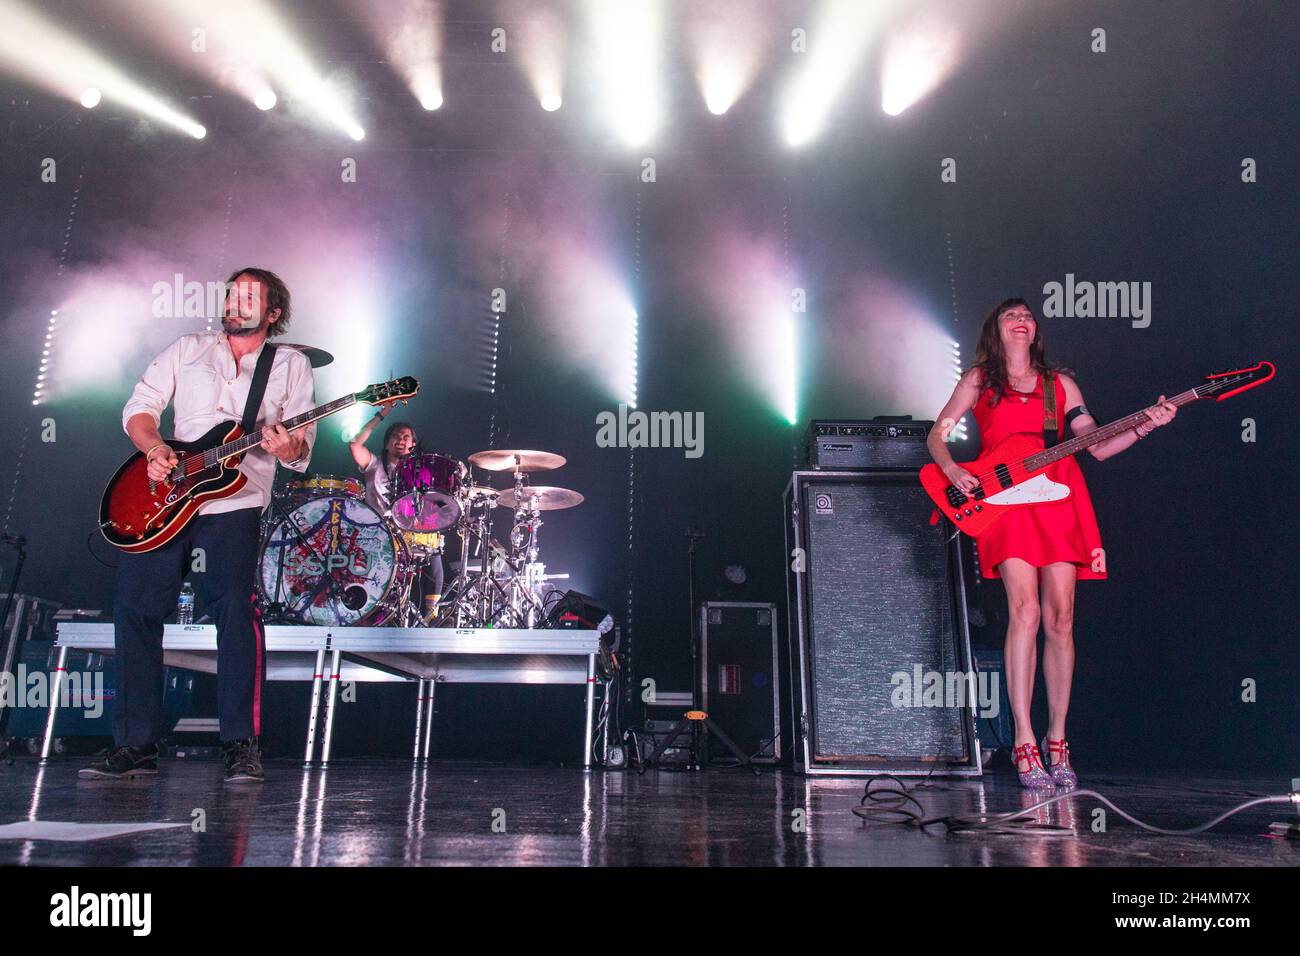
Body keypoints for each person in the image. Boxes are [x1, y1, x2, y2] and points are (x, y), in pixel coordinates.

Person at [927, 298, 1176, 788]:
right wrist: (953, 470)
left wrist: (1145, 424)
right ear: (995, 329)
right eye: (1010, 316)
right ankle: (1022, 739)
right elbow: (938, 435)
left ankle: (1057, 737)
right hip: (1006, 500)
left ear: (1035, 330)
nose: (1021, 321)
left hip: (1059, 496)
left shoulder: (1059, 385)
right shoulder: (980, 379)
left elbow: (1096, 443)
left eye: (1027, 316)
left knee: (1061, 618)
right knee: (1026, 613)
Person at [81, 268, 316, 783]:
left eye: (249, 296)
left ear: (273, 313)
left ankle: (239, 744)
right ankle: (136, 743)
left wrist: (286, 445)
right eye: (232, 293)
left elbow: (301, 447)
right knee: (135, 610)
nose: (235, 301)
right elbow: (140, 408)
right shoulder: (187, 348)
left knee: (234, 609)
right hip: (165, 500)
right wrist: (156, 448)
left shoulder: (290, 364)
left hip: (235, 503)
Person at [348, 410, 445, 618]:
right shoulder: (373, 464)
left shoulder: (420, 472)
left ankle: (431, 616)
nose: (400, 440)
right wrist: (380, 415)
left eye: (405, 437)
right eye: (395, 436)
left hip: (408, 531)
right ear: (386, 443)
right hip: (378, 533)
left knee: (433, 545)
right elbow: (354, 445)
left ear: (413, 444)